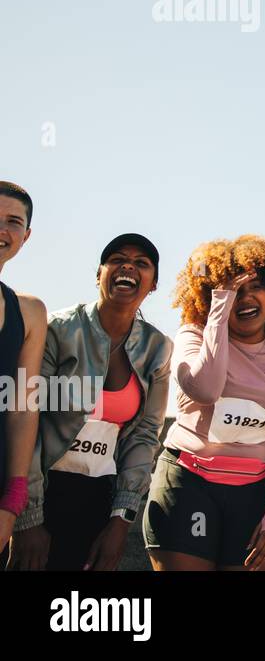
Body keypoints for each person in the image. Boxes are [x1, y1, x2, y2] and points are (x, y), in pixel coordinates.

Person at [142, 236, 265, 571]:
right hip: (187, 480)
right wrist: (219, 307)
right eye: (234, 288)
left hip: (254, 492)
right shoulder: (192, 335)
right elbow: (205, 389)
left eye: (256, 286)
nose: (246, 297)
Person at [10, 234, 172, 571]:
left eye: (141, 263)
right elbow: (27, 419)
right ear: (98, 273)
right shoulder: (57, 329)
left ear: (153, 284)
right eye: (116, 259)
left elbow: (145, 434)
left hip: (98, 495)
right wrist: (29, 519)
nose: (128, 265)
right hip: (41, 488)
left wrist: (120, 520)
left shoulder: (157, 348)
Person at [0, 182, 48, 559]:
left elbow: (22, 407)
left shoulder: (29, 312)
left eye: (13, 221)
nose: (3, 229)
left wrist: (13, 501)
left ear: (26, 236)